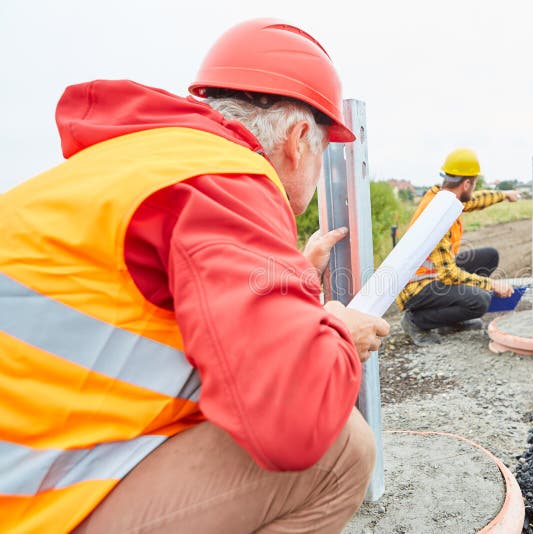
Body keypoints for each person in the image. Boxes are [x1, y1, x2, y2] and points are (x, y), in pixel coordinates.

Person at [0, 18, 390, 534]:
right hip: (28, 507)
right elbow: (293, 421)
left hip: (26, 461)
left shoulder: (145, 160)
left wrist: (293, 290)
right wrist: (338, 329)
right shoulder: (228, 180)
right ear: (299, 140)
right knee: (341, 452)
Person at [396, 148, 519, 346]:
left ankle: (450, 319)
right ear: (467, 184)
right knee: (480, 300)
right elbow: (448, 275)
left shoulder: (445, 196)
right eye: (474, 183)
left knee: (489, 256)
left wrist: (504, 194)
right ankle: (416, 322)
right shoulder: (437, 214)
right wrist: (491, 285)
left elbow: (474, 200)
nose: (474, 188)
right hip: (416, 287)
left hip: (434, 273)